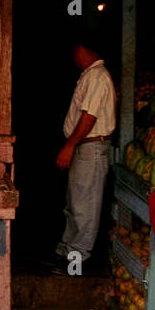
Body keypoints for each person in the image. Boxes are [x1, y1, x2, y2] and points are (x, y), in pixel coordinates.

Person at [52, 34, 117, 270]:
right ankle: (67, 252)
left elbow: (89, 117)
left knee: (85, 206)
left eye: (75, 51)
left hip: (90, 146)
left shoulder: (98, 77)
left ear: (83, 50)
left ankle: (77, 261)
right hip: (84, 146)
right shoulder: (90, 76)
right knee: (75, 203)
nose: (73, 57)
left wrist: (69, 146)